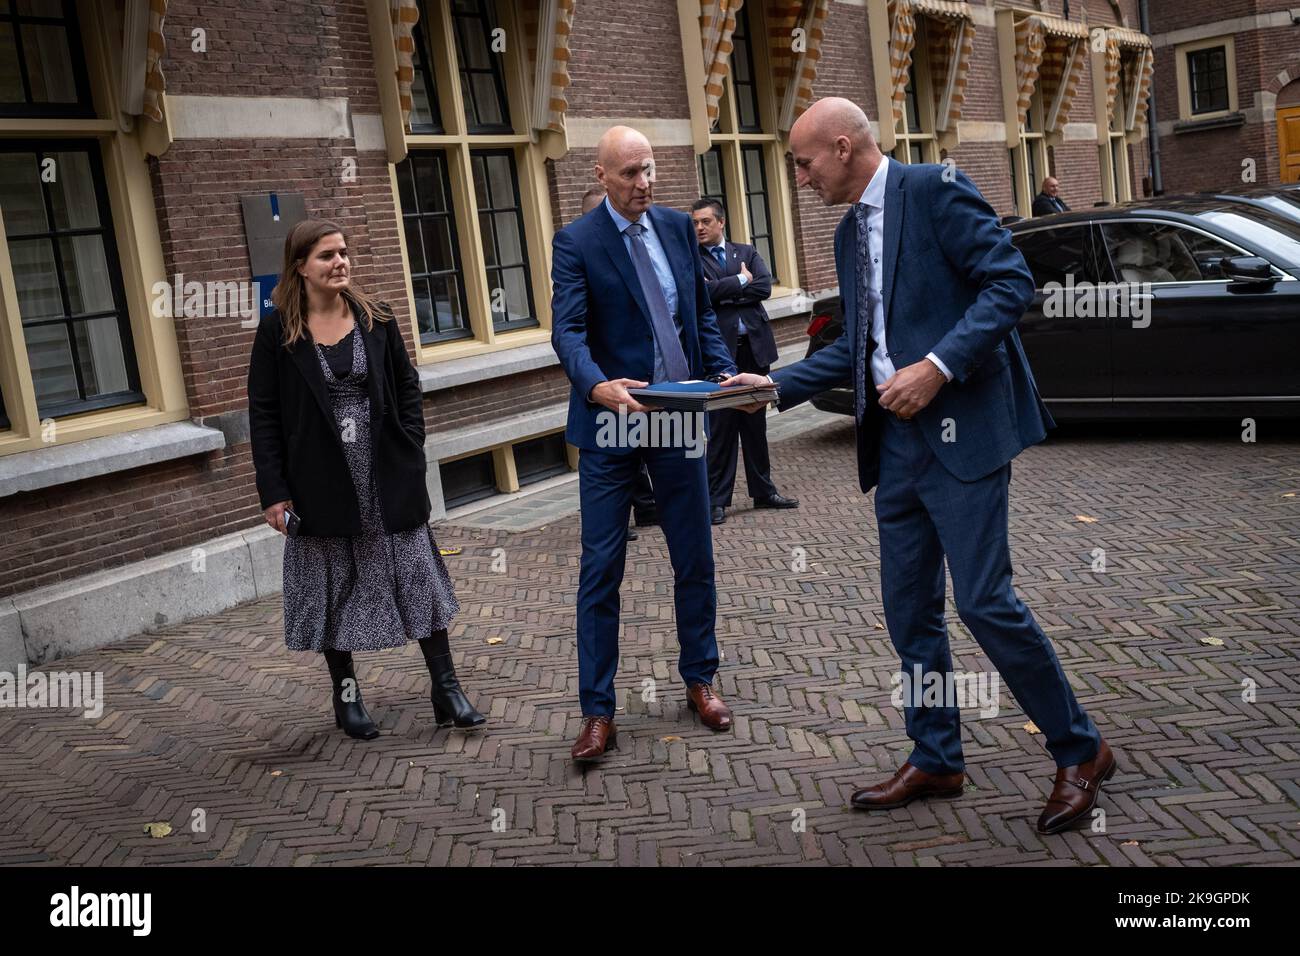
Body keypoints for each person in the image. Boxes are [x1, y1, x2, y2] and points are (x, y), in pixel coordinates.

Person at [724, 98, 1114, 835]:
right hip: (894, 445)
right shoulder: (846, 235)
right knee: (910, 614)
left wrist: (936, 367)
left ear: (844, 147)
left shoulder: (934, 190)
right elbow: (857, 348)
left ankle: (1081, 748)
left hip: (963, 432)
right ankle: (936, 754)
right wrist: (772, 388)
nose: (800, 178)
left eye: (805, 163)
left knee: (984, 603)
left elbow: (1009, 283)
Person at [247, 219, 485, 739]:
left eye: (344, 253)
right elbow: (263, 414)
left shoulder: (377, 318)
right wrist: (274, 490)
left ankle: (446, 688)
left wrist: (411, 447)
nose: (340, 263)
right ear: (299, 268)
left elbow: (407, 388)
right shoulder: (278, 332)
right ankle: (347, 698)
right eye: (327, 256)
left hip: (387, 474)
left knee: (416, 574)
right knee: (333, 583)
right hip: (319, 479)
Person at [551, 126, 738, 761]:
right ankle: (597, 712)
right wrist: (597, 385)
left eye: (650, 169)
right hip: (612, 419)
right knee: (601, 565)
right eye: (630, 173)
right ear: (601, 176)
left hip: (677, 412)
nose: (644, 183)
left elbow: (699, 314)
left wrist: (719, 374)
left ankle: (700, 678)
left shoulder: (679, 229)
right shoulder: (577, 242)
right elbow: (568, 332)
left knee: (694, 553)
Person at [691, 198, 798, 525]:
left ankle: (763, 491)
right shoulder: (693, 259)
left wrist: (725, 291)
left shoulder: (746, 251)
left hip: (754, 348)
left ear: (721, 222)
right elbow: (701, 295)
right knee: (722, 427)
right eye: (695, 222)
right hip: (720, 353)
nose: (699, 228)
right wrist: (739, 282)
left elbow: (764, 285)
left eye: (705, 222)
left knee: (755, 424)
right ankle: (716, 500)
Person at [580, 185, 656, 538]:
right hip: (608, 391)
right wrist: (595, 384)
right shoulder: (576, 250)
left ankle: (645, 507)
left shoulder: (655, 240)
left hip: (659, 392)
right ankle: (625, 513)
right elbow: (569, 330)